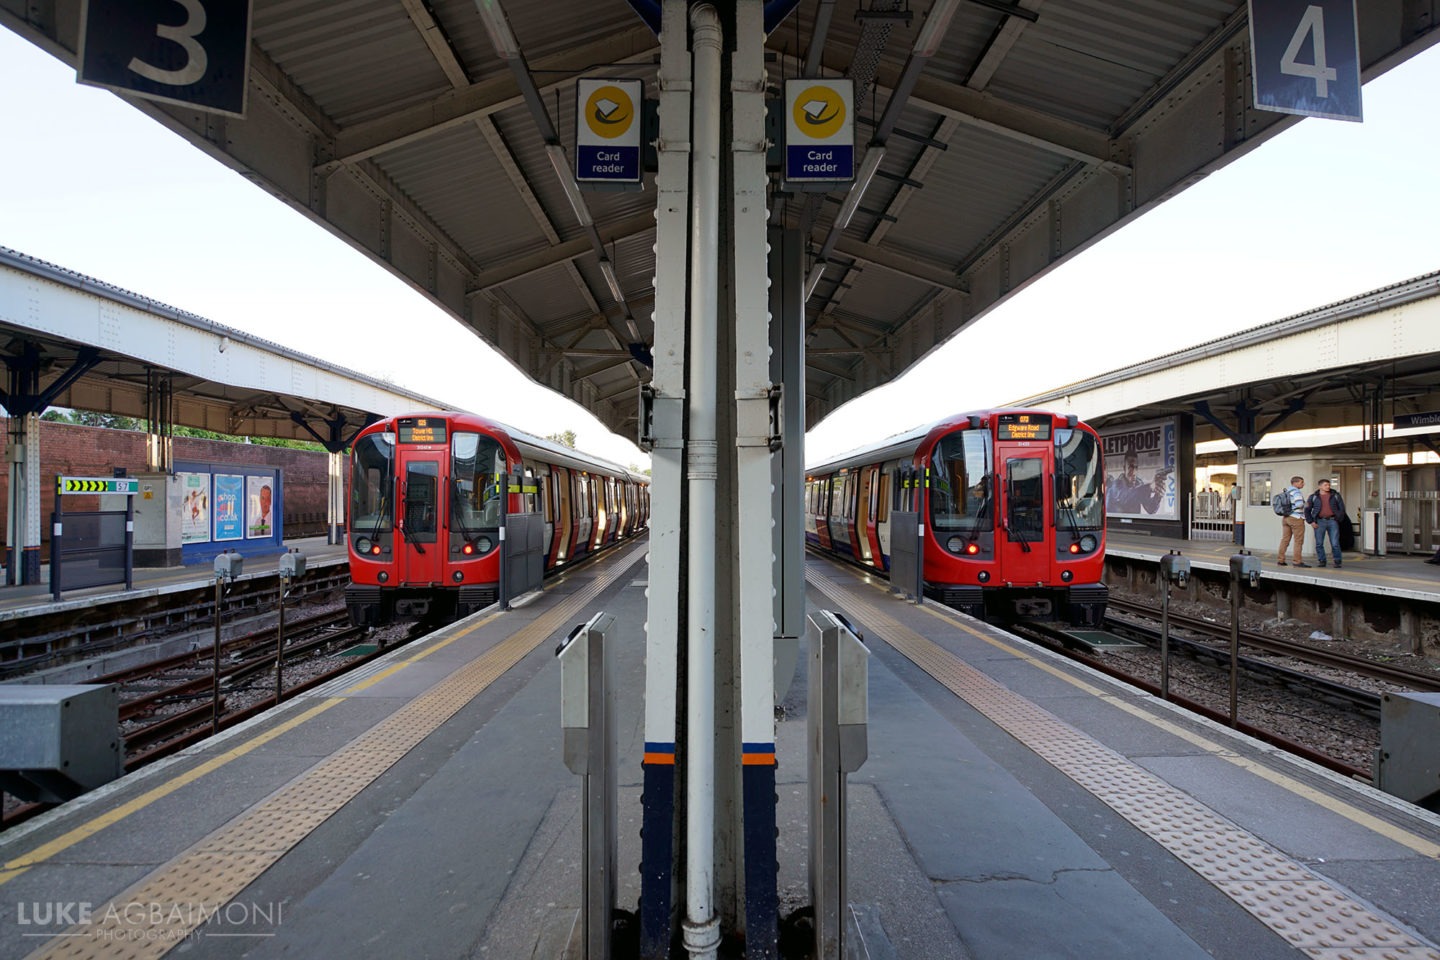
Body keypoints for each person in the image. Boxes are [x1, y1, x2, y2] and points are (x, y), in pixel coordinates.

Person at [1304, 477, 1346, 568]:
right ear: (1320, 486)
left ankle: (1337, 561)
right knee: (1319, 543)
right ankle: (1322, 560)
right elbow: (1307, 510)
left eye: (1329, 485)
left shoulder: (1335, 495)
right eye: (1325, 485)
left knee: (1335, 542)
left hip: (1332, 521)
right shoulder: (1313, 497)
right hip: (1319, 521)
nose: (1328, 486)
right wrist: (1311, 521)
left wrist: (1338, 519)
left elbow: (1342, 508)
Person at [1276, 475, 1308, 567]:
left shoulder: (1287, 491)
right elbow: (1299, 504)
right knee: (1298, 541)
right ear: (1295, 483)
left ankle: (1281, 560)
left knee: (1285, 540)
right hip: (1296, 518)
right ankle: (1297, 561)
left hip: (1286, 518)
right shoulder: (1296, 492)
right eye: (1302, 482)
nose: (1303, 484)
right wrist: (1306, 504)